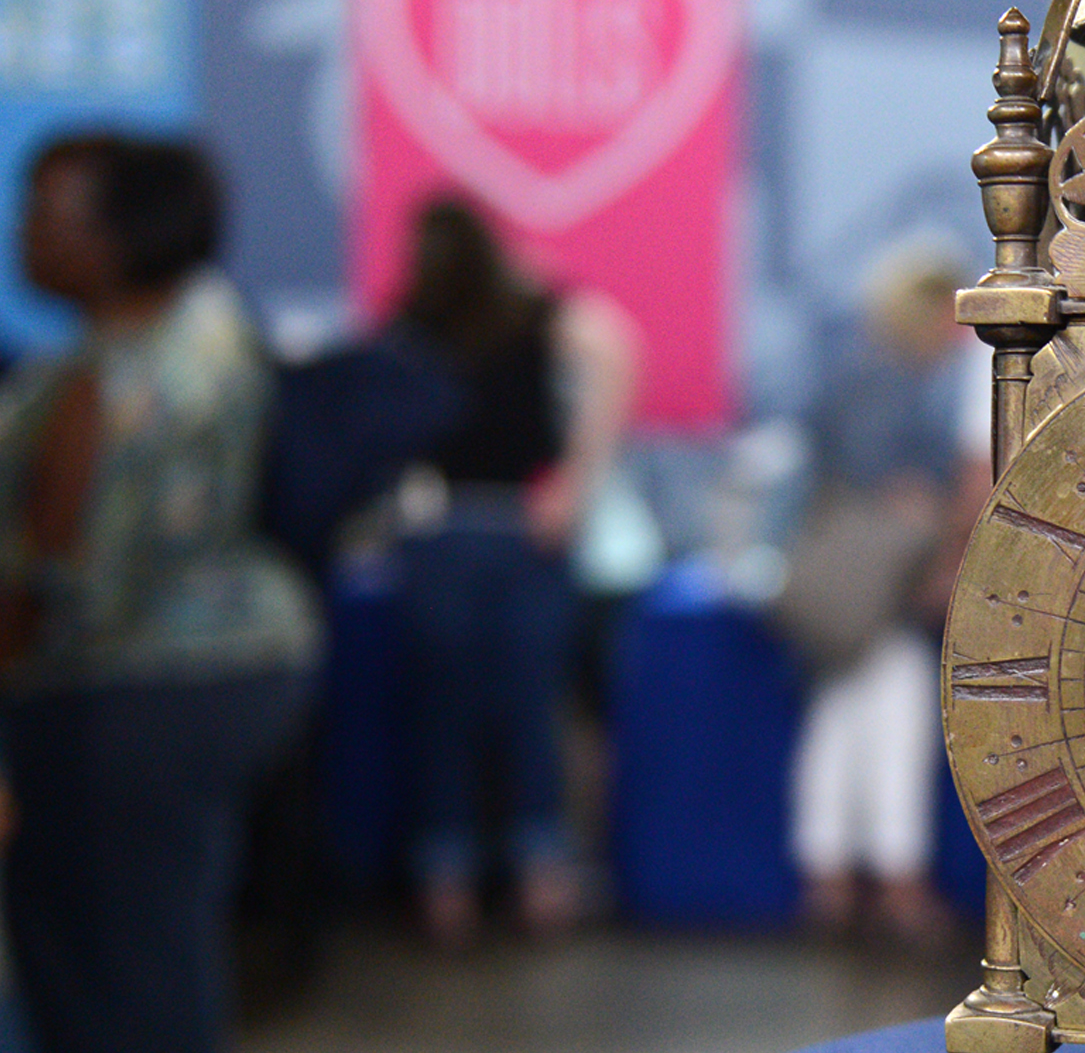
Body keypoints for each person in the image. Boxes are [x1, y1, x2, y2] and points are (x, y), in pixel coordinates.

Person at [0, 135, 320, 1053]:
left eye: (43, 211)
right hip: (209, 675)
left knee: (113, 965)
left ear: (120, 233)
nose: (21, 232)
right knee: (143, 947)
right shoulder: (201, 331)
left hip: (123, 693)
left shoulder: (121, 384)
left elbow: (58, 574)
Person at [386, 197, 633, 947]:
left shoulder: (421, 320)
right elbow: (614, 348)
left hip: (460, 530)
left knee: (454, 717)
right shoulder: (521, 311)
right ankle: (531, 878)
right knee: (522, 713)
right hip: (508, 531)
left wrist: (578, 480)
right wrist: (578, 478)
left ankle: (455, 882)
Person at [785, 240, 990, 944]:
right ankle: (898, 880)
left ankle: (830, 878)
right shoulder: (890, 380)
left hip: (852, 580)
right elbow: (888, 484)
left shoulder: (859, 372)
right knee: (895, 719)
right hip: (880, 581)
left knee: (838, 720)